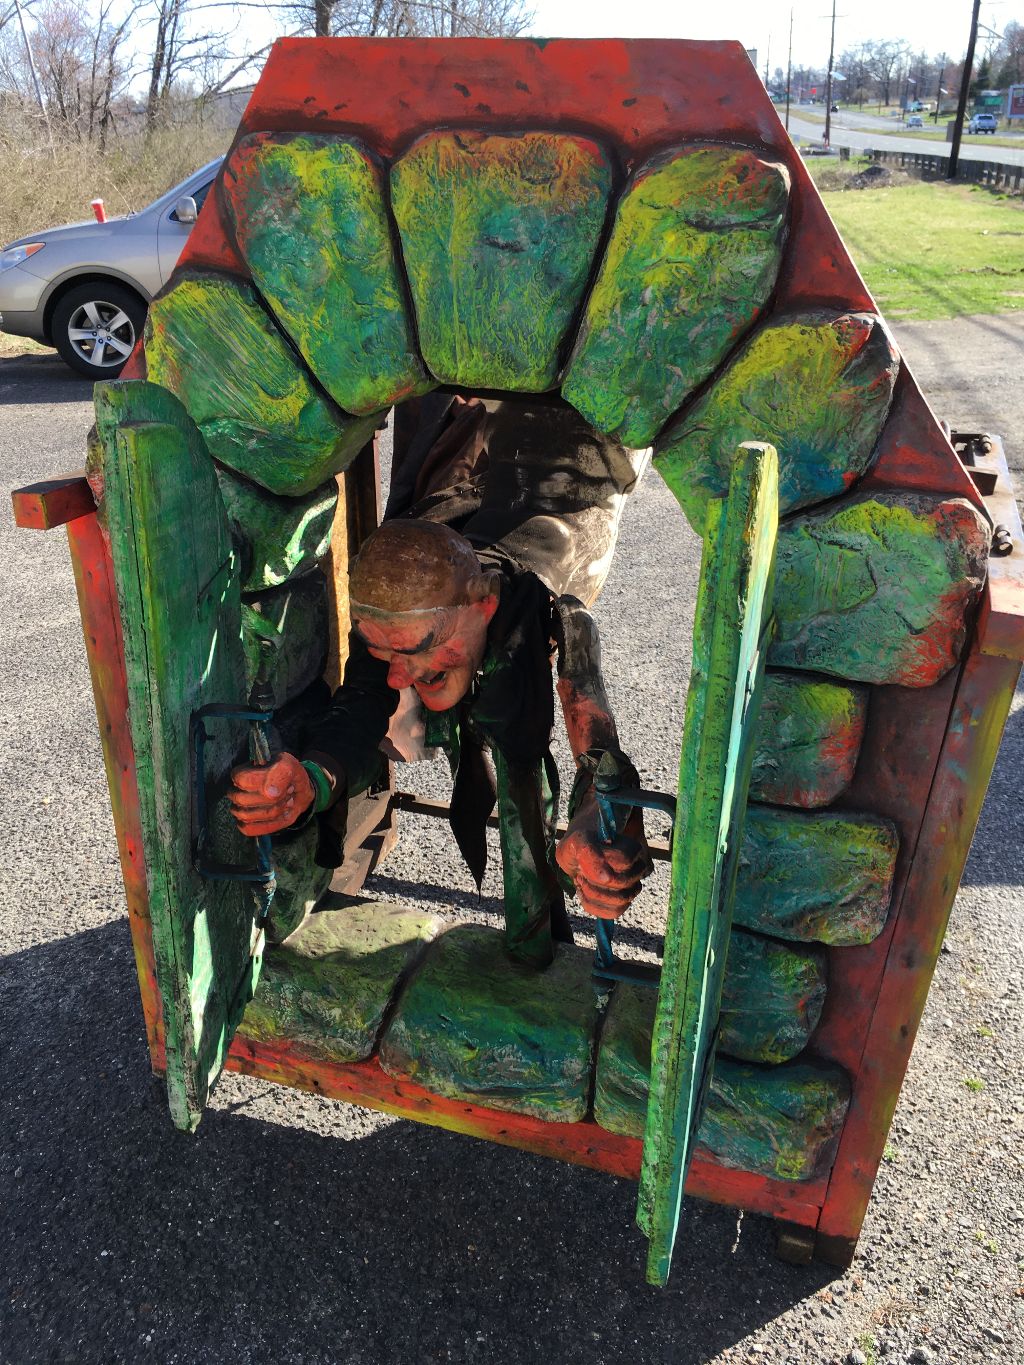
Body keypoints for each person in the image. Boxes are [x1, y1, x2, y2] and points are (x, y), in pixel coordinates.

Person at [229, 399, 652, 967]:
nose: (397, 674)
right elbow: (361, 704)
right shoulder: (400, 621)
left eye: (417, 648)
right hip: (468, 475)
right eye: (383, 651)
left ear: (484, 605)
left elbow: (590, 716)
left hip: (583, 444)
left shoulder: (548, 610)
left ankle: (537, 939)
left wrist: (601, 813)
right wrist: (313, 780)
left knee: (516, 744)